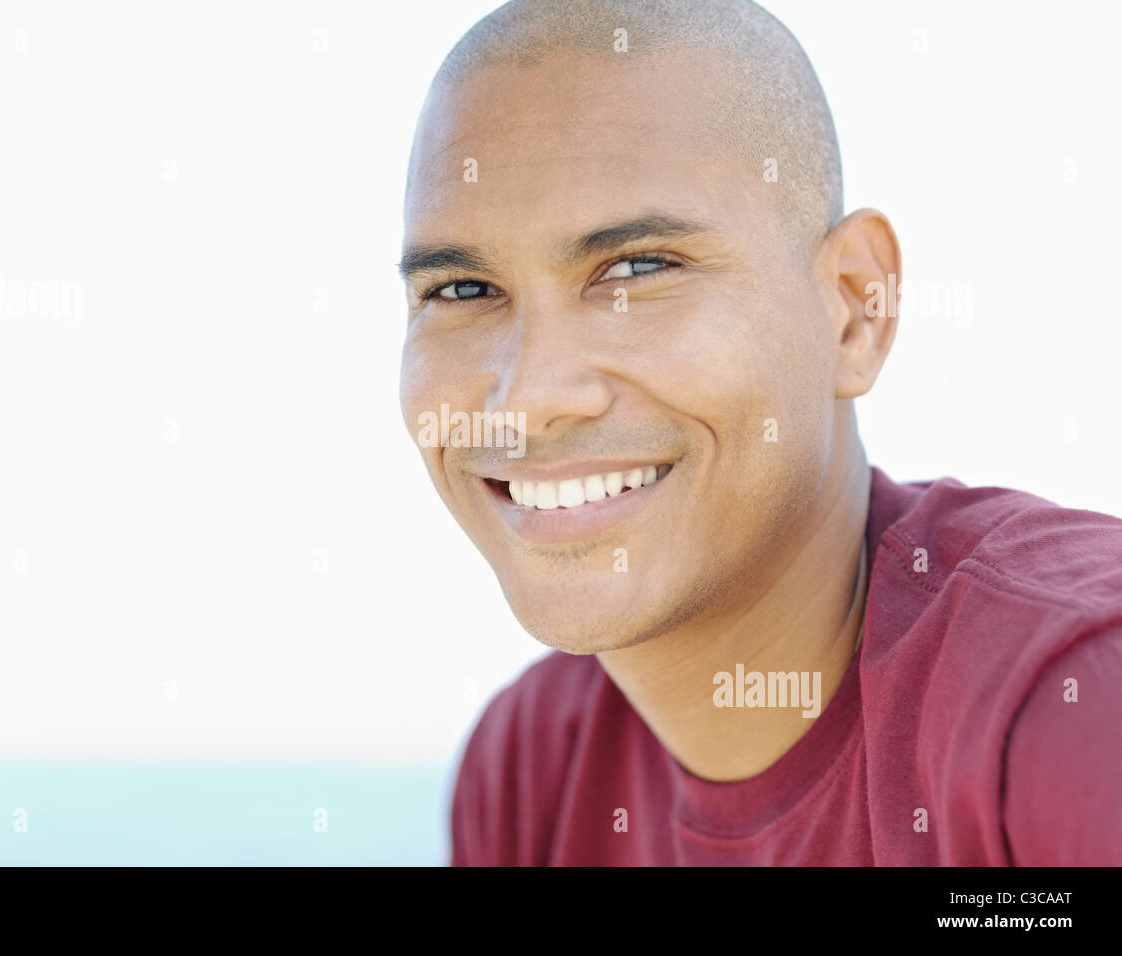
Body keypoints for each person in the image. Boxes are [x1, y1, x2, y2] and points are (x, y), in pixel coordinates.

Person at [396, 0, 1122, 865]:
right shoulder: (528, 775)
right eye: (463, 290)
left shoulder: (1071, 703)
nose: (529, 399)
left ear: (854, 310)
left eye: (637, 269)